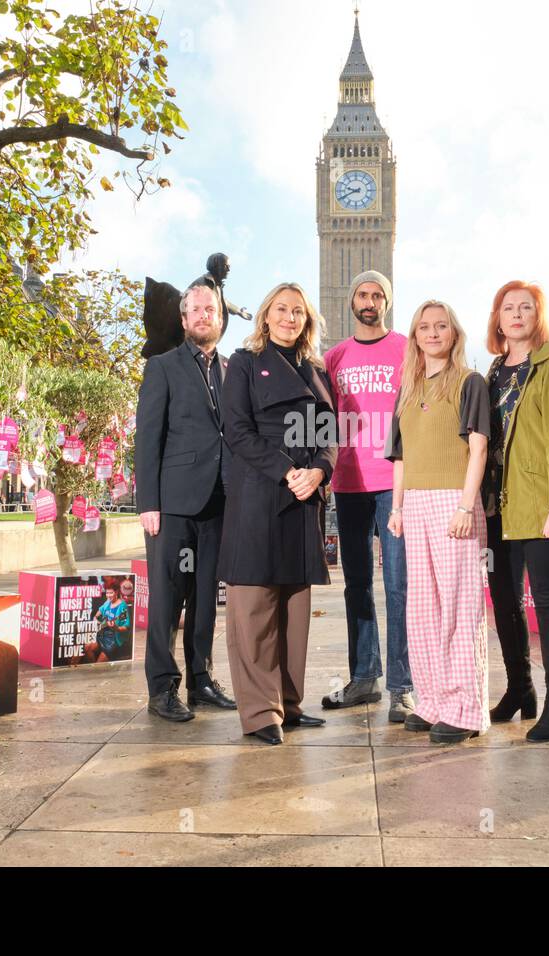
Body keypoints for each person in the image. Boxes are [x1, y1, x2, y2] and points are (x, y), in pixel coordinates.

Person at [218, 282, 338, 744]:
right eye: (282, 310)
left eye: (298, 312)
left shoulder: (316, 370)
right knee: (254, 610)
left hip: (305, 500)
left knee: (294, 609)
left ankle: (288, 704)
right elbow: (237, 430)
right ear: (266, 316)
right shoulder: (246, 364)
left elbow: (330, 433)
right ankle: (260, 713)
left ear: (307, 321)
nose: (290, 317)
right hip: (260, 495)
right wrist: (289, 472)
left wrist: (320, 472)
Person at [481, 280, 549, 741]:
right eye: (508, 308)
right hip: (499, 503)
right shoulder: (493, 372)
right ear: (498, 318)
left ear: (537, 316)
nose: (517, 314)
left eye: (526, 307)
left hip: (543, 501)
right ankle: (521, 690)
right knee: (504, 602)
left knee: (548, 601)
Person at [385, 301, 490, 744]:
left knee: (459, 609)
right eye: (424, 327)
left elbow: (480, 448)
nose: (432, 333)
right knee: (422, 610)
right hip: (415, 506)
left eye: (440, 326)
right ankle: (430, 702)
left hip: (455, 503)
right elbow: (401, 457)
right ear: (415, 336)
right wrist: (396, 507)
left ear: (454, 333)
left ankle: (465, 710)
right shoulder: (406, 389)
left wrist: (466, 507)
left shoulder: (470, 383)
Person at [134, 283, 237, 721]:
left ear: (219, 318)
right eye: (194, 309)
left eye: (209, 309)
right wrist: (148, 503)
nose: (202, 315)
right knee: (167, 599)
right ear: (183, 319)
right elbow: (148, 438)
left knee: (204, 599)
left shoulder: (232, 370)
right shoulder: (162, 368)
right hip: (173, 506)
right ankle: (162, 687)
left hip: (219, 504)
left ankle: (202, 679)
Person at [321, 269, 415, 722]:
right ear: (352, 301)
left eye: (378, 294)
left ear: (387, 303)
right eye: (362, 293)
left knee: (399, 585)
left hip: (395, 484)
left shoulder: (406, 349)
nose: (370, 301)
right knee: (357, 585)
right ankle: (364, 677)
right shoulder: (333, 357)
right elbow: (323, 419)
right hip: (349, 481)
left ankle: (402, 687)